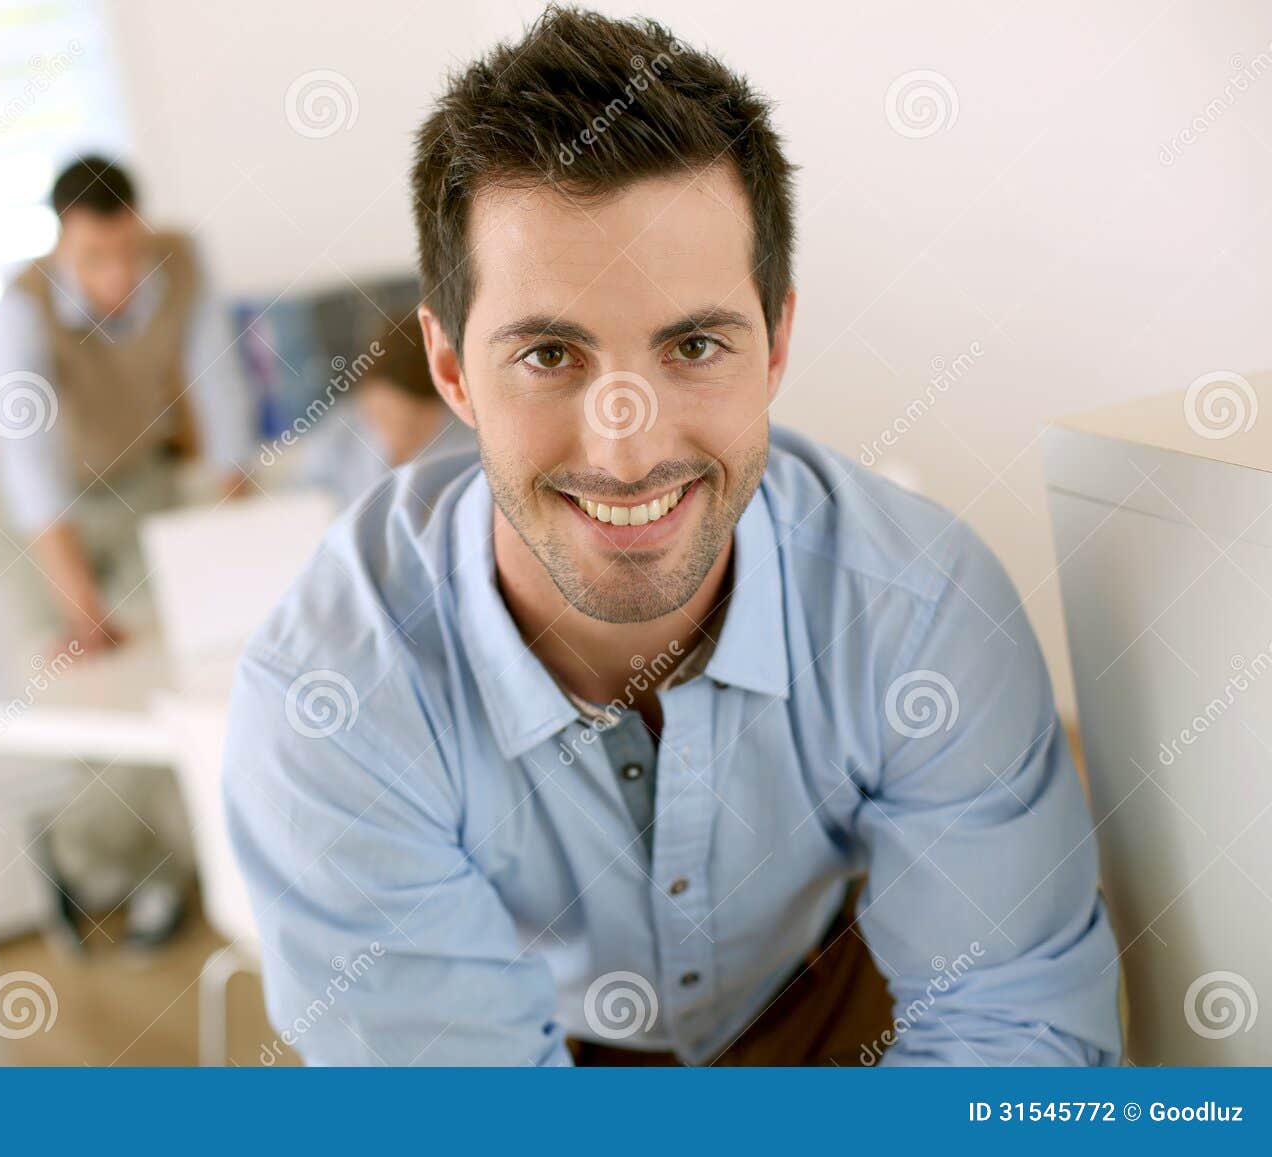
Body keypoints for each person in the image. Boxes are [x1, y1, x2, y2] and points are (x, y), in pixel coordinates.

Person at [222, 8, 1121, 1065]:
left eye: (692, 343)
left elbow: (1016, 1039)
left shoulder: (923, 605)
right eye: (550, 353)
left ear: (776, 342)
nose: (627, 447)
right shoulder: (331, 696)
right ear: (452, 367)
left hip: (833, 1015)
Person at [0, 155, 257, 950]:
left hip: (144, 489)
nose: (119, 273)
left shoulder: (185, 262)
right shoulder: (20, 307)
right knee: (82, 691)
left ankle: (156, 878)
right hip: (41, 518)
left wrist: (235, 515)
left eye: (128, 250)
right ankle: (85, 857)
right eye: (96, 257)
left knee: (159, 682)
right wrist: (81, 608)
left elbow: (220, 389)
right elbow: (29, 470)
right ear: (62, 246)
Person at [296, 309, 476, 506]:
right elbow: (303, 497)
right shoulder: (340, 430)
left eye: (413, 423)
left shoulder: (469, 446)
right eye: (383, 414)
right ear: (365, 394)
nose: (396, 431)